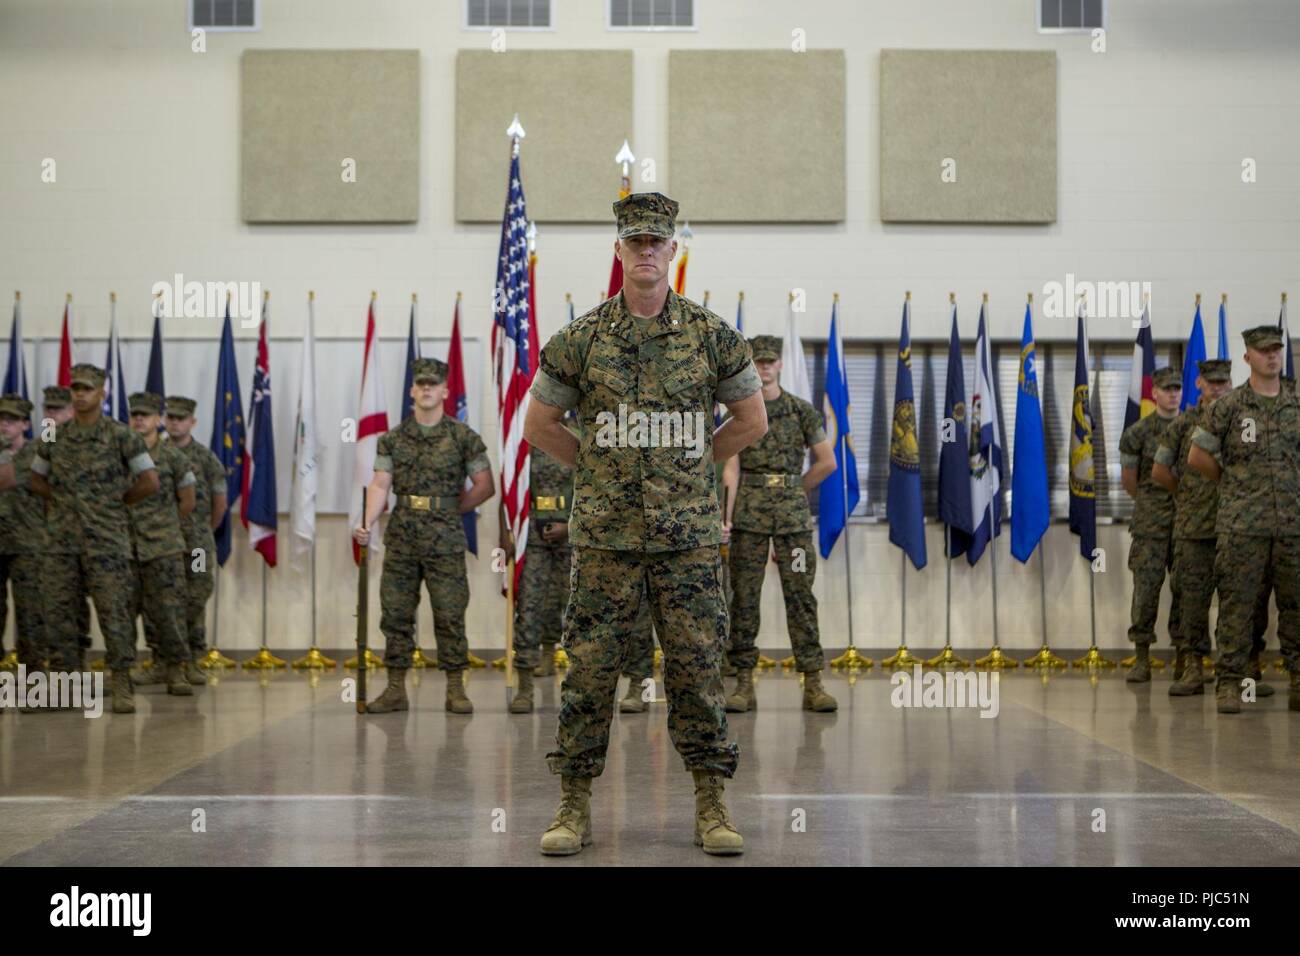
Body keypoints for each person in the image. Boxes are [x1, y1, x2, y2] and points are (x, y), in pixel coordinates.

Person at [524, 190, 768, 857]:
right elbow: (540, 424)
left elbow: (751, 420)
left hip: (686, 542)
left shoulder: (712, 335)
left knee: (696, 669)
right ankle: (573, 805)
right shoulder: (581, 337)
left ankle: (712, 804)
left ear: (674, 248)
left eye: (657, 242)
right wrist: (596, 468)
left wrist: (693, 466)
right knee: (590, 672)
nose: (647, 252)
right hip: (605, 539)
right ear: (619, 250)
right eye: (636, 242)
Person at [354, 357, 495, 715]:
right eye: (422, 384)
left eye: (434, 384)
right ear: (412, 391)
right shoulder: (393, 439)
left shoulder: (463, 436)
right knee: (396, 612)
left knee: (449, 612)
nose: (428, 389)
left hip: (445, 537)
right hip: (403, 535)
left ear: (446, 391)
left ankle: (455, 688)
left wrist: (451, 508)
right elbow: (380, 484)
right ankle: (396, 688)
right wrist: (367, 522)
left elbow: (485, 485)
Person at [28, 364, 161, 714]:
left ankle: (121, 681)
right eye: (75, 388)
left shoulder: (121, 435)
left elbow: (149, 480)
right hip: (61, 543)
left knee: (114, 612)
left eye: (88, 388)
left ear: (102, 393)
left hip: (106, 542)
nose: (80, 394)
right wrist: (60, 502)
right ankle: (63, 685)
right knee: (59, 614)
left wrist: (115, 504)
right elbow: (35, 479)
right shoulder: (54, 435)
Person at [720, 334, 837, 713]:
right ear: (751, 366)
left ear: (781, 365)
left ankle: (813, 683)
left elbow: (826, 461)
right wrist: (727, 517)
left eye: (771, 361)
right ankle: (742, 683)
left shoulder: (801, 411)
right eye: (759, 361)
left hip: (792, 522)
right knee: (744, 598)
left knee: (800, 596)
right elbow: (731, 468)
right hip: (750, 518)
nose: (765, 367)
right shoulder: (740, 413)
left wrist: (795, 490)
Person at [1189, 326, 1300, 713]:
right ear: (1248, 356)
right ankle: (1230, 684)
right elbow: (1197, 456)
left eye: (1277, 350)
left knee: (1296, 605)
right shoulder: (1229, 406)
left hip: (1291, 527)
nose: (1272, 356)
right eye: (1264, 350)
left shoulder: (1296, 402)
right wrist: (1232, 485)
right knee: (1237, 606)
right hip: (1241, 528)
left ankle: (1298, 680)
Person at [1153, 359, 1273, 697]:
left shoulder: (1245, 421)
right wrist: (1190, 496)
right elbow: (1160, 471)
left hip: (1241, 527)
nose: (1218, 388)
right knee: (1193, 601)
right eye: (1211, 382)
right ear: (1199, 385)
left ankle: (1247, 669)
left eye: (1224, 382)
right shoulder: (1182, 425)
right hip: (1196, 529)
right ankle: (1193, 666)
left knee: (1245, 601)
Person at [122, 392, 196, 696]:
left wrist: (162, 525)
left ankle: (176, 669)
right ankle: (123, 672)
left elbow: (188, 502)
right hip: (125, 545)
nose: (140, 419)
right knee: (123, 613)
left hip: (163, 547)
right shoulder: (120, 453)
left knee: (169, 612)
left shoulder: (174, 458)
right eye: (135, 414)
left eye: (146, 415)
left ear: (158, 420)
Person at [1118, 366, 1183, 682]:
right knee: (1145, 590)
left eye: (1177, 388)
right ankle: (1142, 658)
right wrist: (1151, 505)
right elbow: (1130, 481)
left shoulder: (1194, 428)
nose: (1173, 394)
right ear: (1154, 393)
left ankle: (1186, 659)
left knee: (1187, 592)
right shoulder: (1138, 432)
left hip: (1188, 522)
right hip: (1150, 525)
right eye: (1166, 388)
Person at [158, 395, 227, 680]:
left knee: (196, 596)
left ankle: (193, 659)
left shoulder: (206, 458)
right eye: (170, 417)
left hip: (197, 545)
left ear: (192, 422)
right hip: (163, 542)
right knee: (164, 598)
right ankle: (165, 661)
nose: (174, 423)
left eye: (180, 418)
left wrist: (202, 531)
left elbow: (219, 502)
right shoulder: (153, 454)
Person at [41, 385, 92, 666]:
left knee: (82, 604)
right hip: (51, 541)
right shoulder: (45, 447)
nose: (51, 414)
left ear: (72, 411)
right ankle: (60, 667)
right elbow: (39, 486)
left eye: (57, 409)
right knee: (56, 606)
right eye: (47, 409)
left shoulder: (87, 445)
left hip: (89, 539)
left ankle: (80, 664)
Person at [0, 395, 50, 672]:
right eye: (0, 420)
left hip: (29, 543)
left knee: (31, 610)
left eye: (11, 420)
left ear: (25, 424)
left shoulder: (39, 453)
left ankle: (34, 668)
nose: (4, 426)